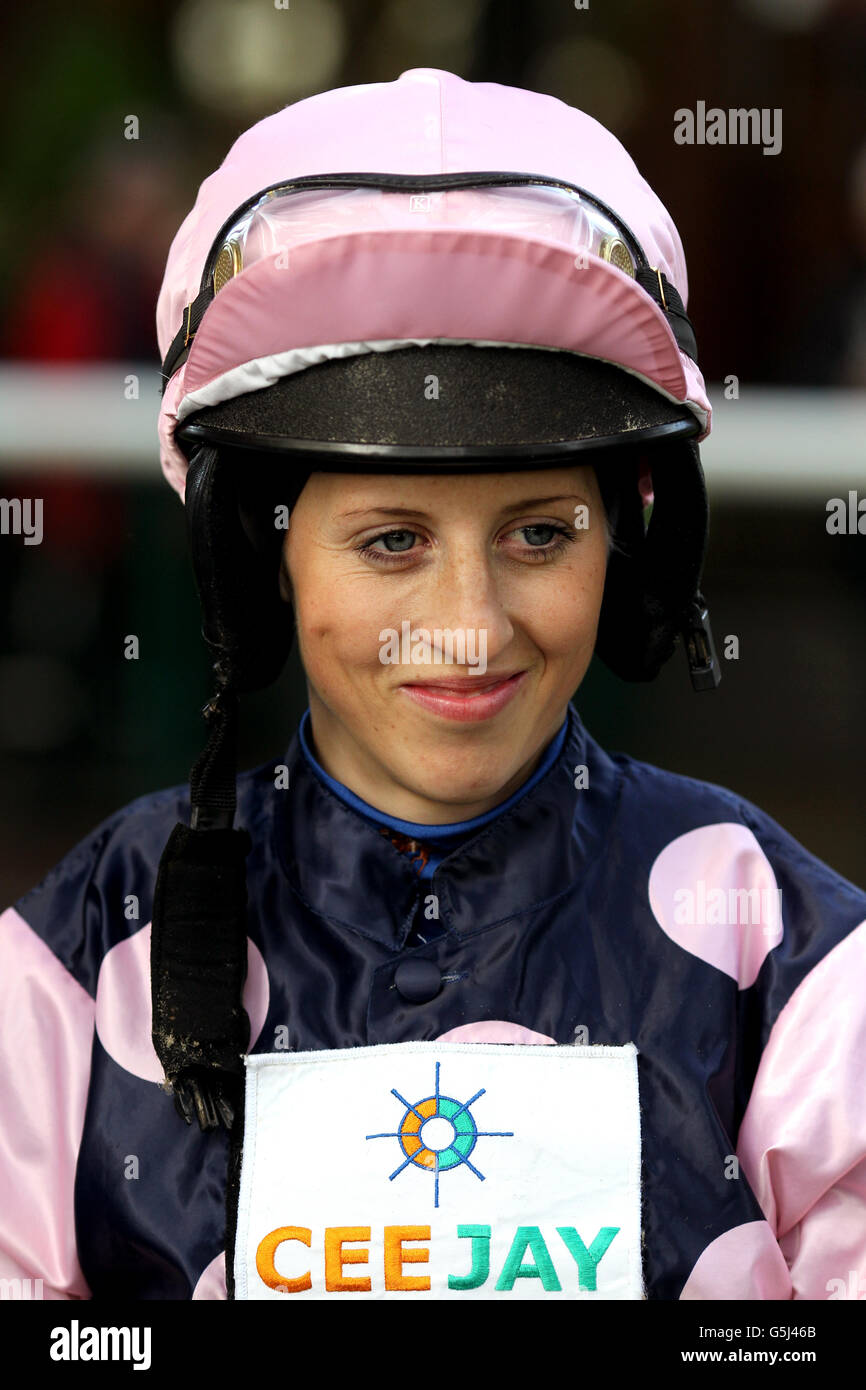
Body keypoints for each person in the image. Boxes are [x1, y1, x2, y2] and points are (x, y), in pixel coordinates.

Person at [1, 68, 864, 1303]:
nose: (466, 629)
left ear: (629, 552)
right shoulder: (77, 958)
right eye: (391, 541)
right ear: (259, 557)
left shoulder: (794, 963)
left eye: (538, 535)